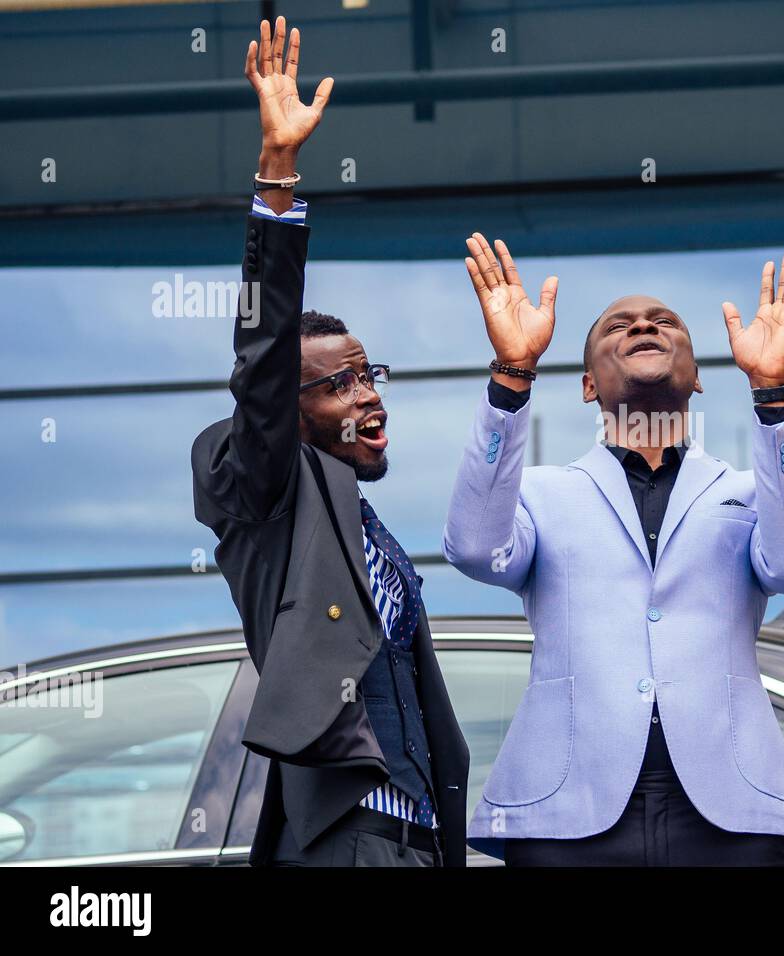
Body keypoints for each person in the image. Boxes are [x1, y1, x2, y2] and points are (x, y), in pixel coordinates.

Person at [442, 234, 784, 865]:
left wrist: (773, 390)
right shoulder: (542, 492)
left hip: (731, 817)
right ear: (589, 386)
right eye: (617, 326)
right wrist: (511, 377)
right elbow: (472, 549)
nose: (644, 324)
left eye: (664, 323)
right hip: (565, 817)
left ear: (699, 379)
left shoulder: (744, 490)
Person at [190, 17, 468, 867]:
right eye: (341, 383)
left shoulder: (365, 524)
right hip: (350, 844)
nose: (369, 395)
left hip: (416, 839)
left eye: (370, 374)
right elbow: (261, 362)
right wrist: (278, 181)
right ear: (289, 410)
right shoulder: (263, 489)